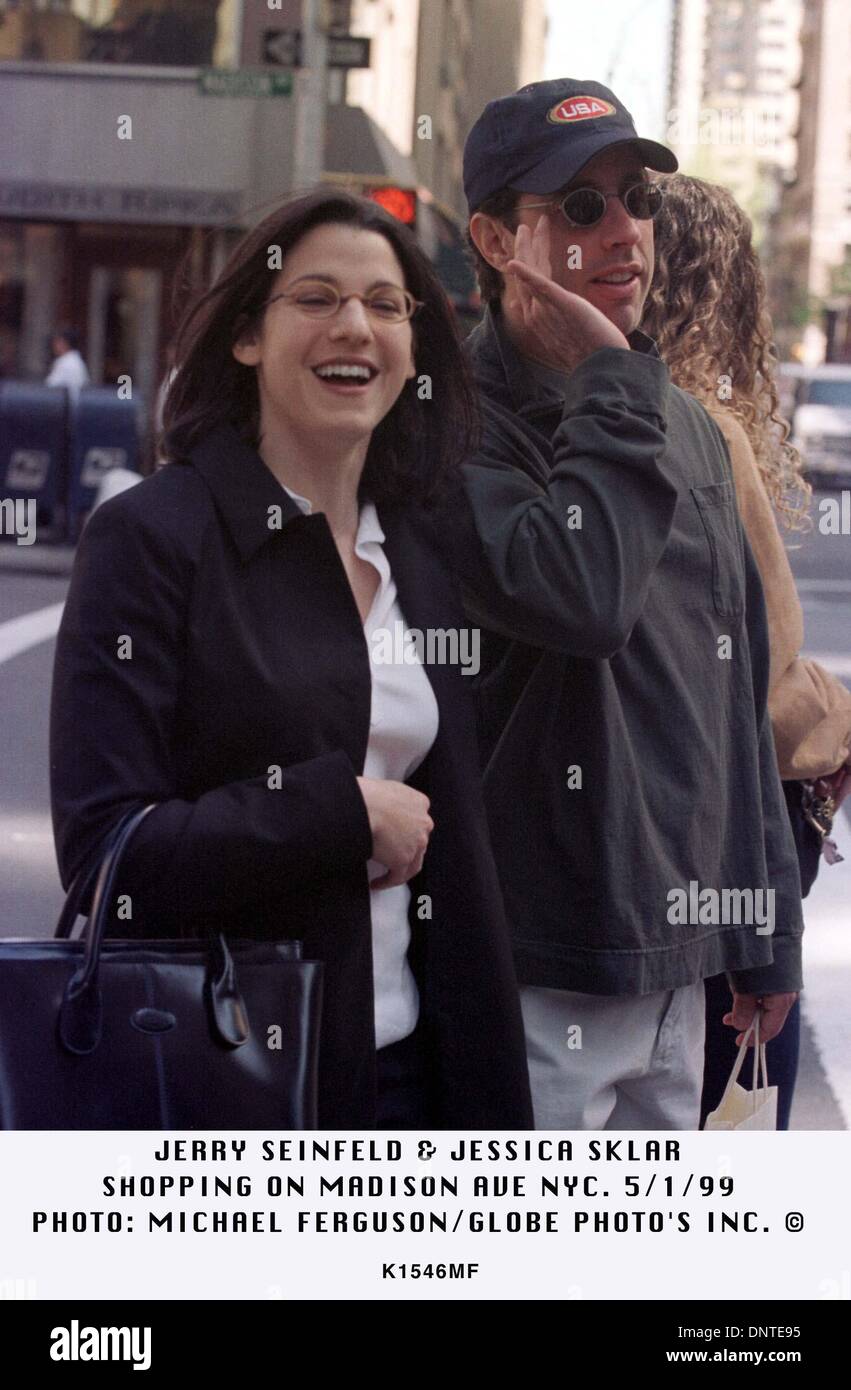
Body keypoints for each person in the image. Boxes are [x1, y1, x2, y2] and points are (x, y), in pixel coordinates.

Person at [49, 187, 533, 1132]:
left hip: (411, 1077)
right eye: (314, 298)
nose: (354, 326)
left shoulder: (426, 550)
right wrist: (337, 813)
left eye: (386, 306)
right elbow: (110, 851)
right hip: (219, 1075)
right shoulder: (151, 537)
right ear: (245, 339)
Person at [448, 78, 803, 1129]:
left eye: (638, 198)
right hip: (532, 967)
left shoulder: (689, 430)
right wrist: (615, 382)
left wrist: (765, 931)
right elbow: (579, 597)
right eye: (580, 207)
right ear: (494, 239)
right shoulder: (450, 426)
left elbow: (735, 706)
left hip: (680, 969)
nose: (625, 234)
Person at [641, 172, 851, 1129]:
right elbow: (758, 687)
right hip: (723, 866)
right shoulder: (707, 434)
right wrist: (834, 716)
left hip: (641, 872)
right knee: (726, 1124)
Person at [45, 327, 89, 398]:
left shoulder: (67, 363)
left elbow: (50, 388)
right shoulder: (75, 360)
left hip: (68, 405)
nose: (54, 345)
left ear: (65, 343)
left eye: (57, 342)